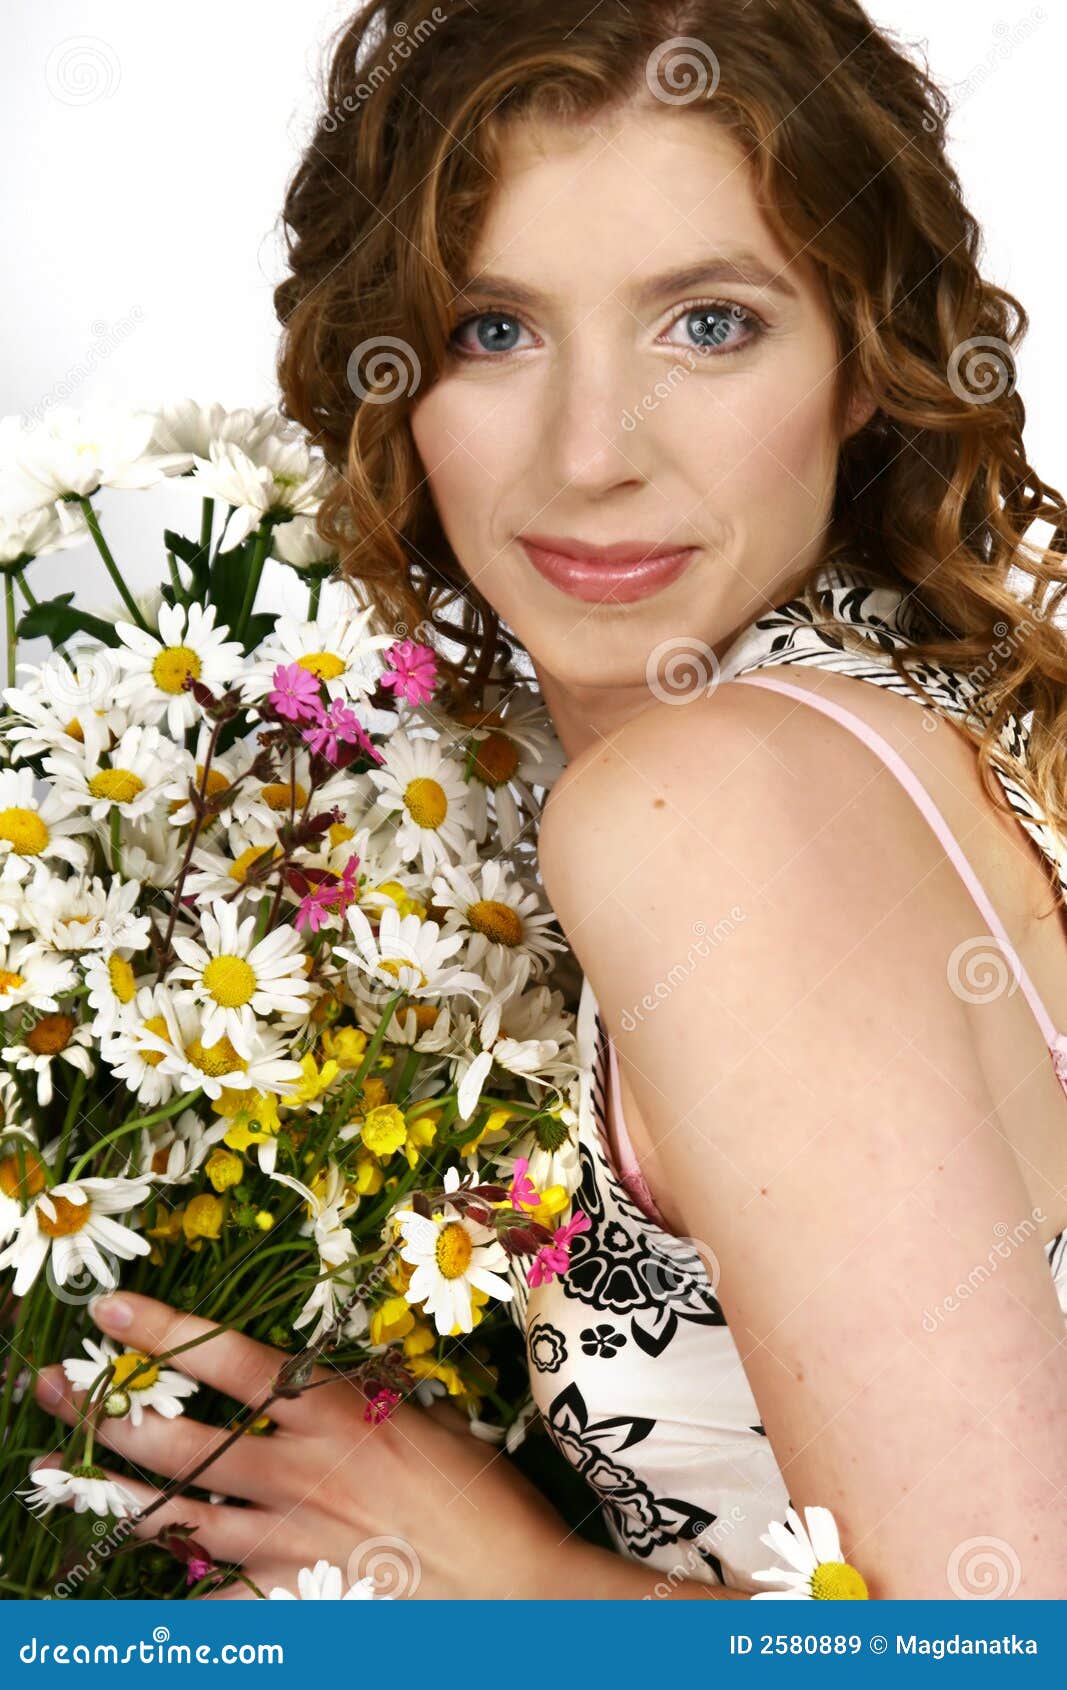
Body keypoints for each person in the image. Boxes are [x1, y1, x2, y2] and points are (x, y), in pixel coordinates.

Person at [35, 0, 1067, 1598]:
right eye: (491, 330)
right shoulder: (927, 719)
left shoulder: (708, 804)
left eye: (709, 324)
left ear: (865, 361)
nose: (592, 454)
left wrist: (511, 1575)